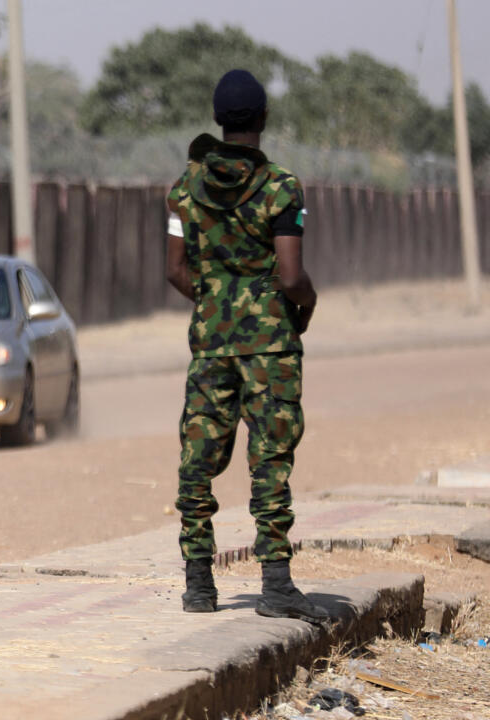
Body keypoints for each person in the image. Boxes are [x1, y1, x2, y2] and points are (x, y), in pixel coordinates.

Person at [165, 69, 327, 624]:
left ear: (218, 120)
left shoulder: (184, 188)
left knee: (197, 458)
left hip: (211, 344)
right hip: (271, 348)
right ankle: (276, 584)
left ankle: (198, 583)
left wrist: (215, 300)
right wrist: (305, 306)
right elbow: (290, 274)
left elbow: (173, 269)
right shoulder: (282, 187)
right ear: (262, 119)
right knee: (271, 459)